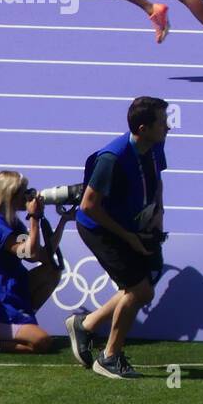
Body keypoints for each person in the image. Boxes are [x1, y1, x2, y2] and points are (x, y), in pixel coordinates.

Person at [64, 96, 169, 379]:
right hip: (100, 228)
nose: (168, 127)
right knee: (140, 290)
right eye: (163, 122)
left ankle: (85, 326)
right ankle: (109, 357)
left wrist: (158, 212)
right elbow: (88, 206)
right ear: (143, 128)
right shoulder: (112, 159)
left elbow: (157, 180)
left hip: (132, 222)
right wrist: (128, 238)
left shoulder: (155, 145)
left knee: (141, 285)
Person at [0, 171, 74, 354]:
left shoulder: (10, 223)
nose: (28, 196)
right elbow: (30, 251)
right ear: (10, 195)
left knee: (51, 271)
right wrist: (35, 218)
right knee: (42, 342)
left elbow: (39, 256)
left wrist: (63, 221)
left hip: (1, 296)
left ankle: (22, 321)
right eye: (24, 192)